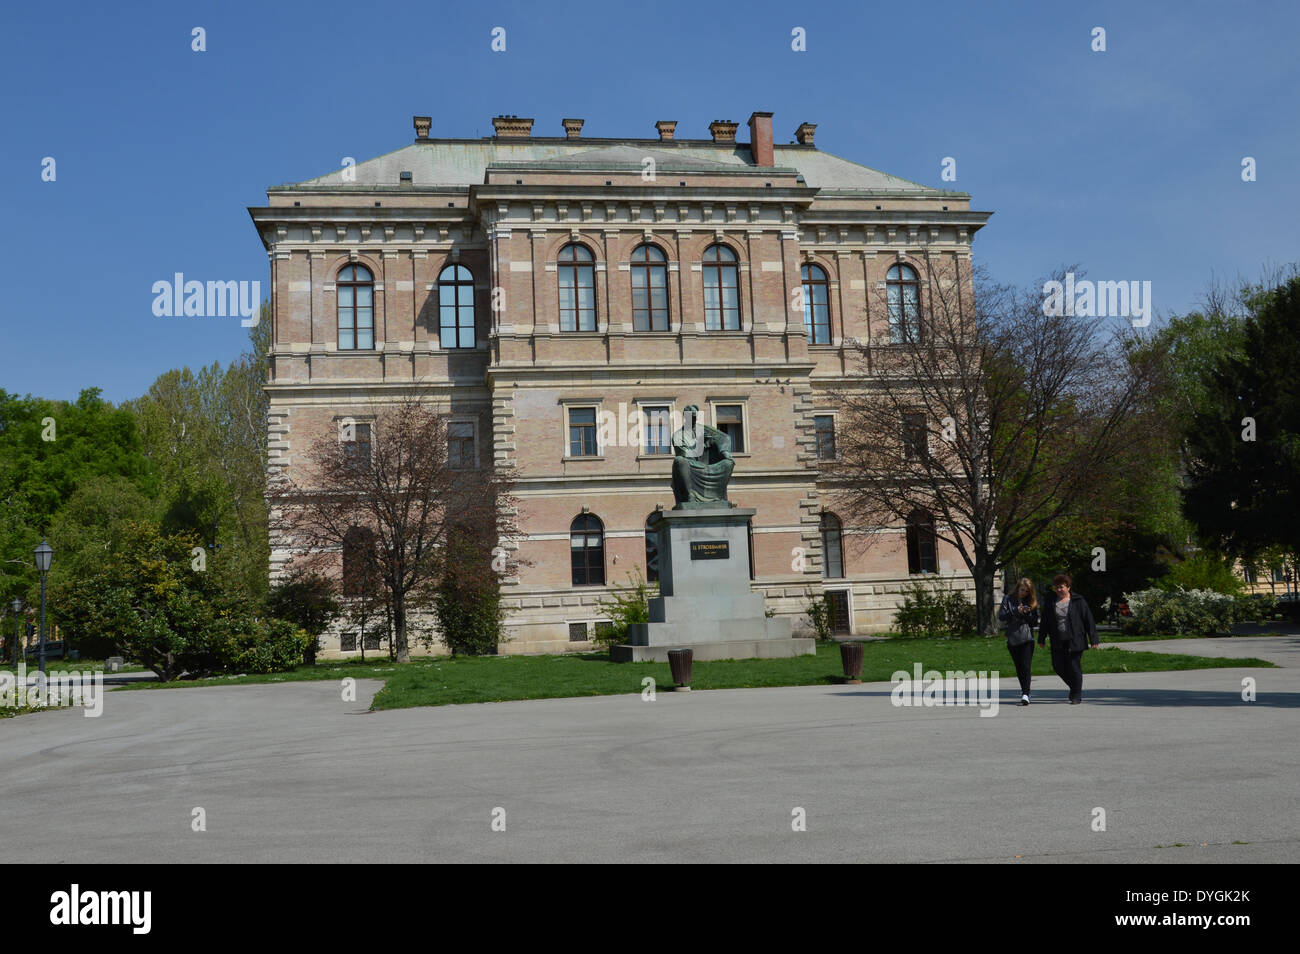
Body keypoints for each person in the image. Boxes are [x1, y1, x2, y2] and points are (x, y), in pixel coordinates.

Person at [1038, 573, 1099, 704]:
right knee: (1058, 666)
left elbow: (1088, 620)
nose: (1059, 590)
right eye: (1057, 587)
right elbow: (1045, 621)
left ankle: (1076, 695)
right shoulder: (1051, 602)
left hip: (1075, 639)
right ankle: (1075, 687)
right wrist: (1041, 638)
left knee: (1074, 667)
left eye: (1061, 587)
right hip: (1057, 640)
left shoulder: (1078, 601)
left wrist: (1093, 639)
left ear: (1068, 587)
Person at [998, 578, 1039, 705]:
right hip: (1013, 636)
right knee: (1019, 667)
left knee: (1026, 666)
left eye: (1026, 591)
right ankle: (1024, 690)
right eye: (1022, 590)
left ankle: (1026, 694)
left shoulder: (1031, 601)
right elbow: (1002, 616)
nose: (1024, 593)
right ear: (1018, 588)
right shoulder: (1008, 599)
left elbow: (1034, 622)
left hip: (1027, 638)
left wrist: (1026, 613)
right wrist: (1016, 610)